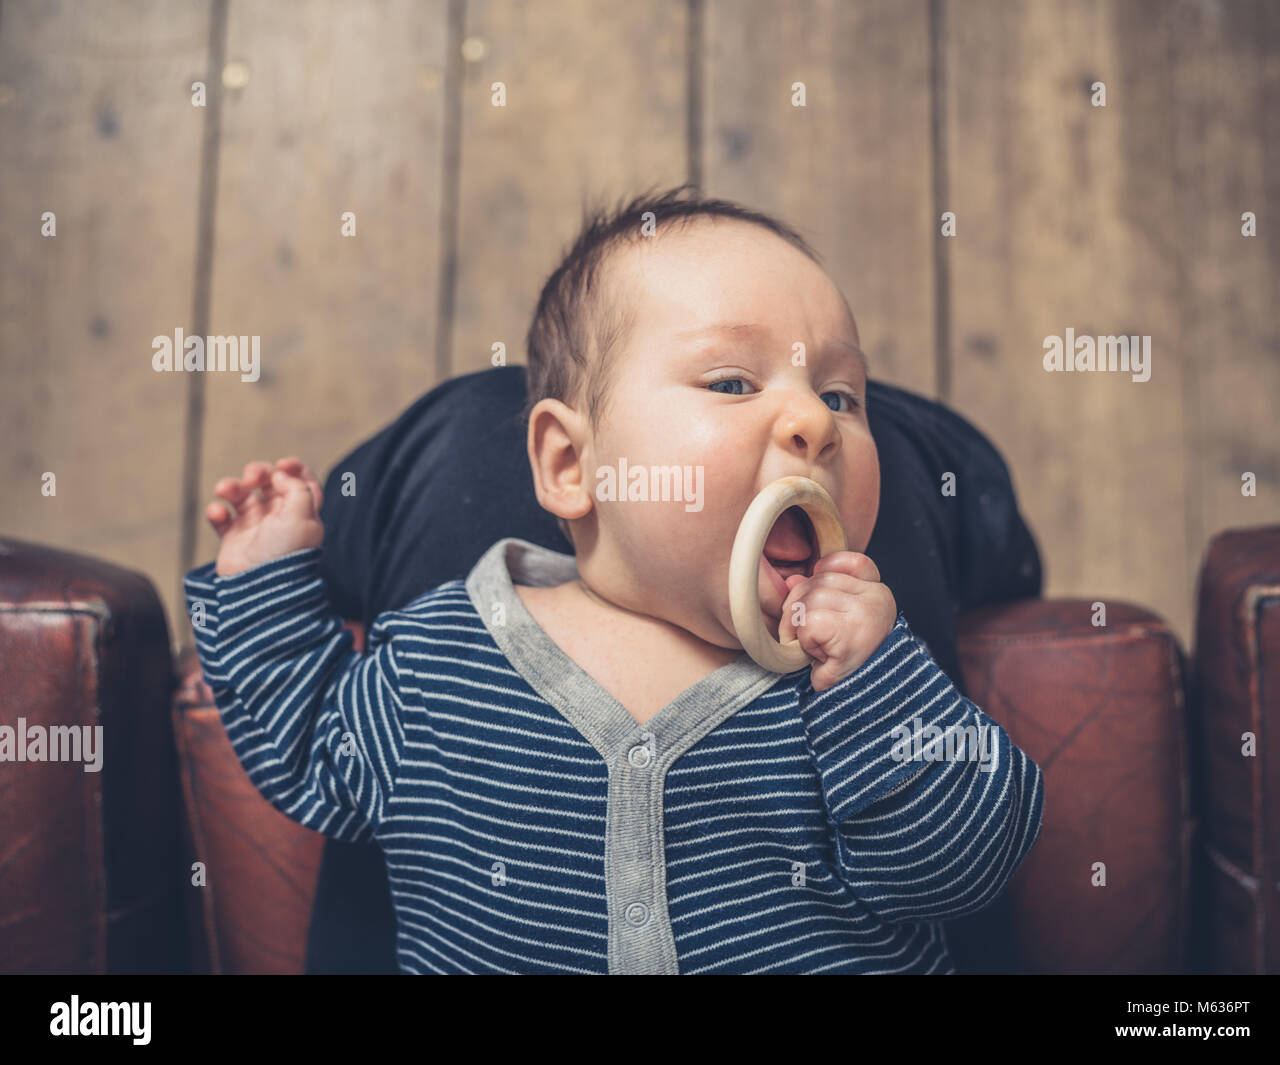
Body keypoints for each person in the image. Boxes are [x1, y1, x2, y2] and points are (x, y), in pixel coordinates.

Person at [185, 185, 1044, 973]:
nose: (816, 421)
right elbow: (307, 745)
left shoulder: (856, 676)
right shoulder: (440, 659)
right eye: (733, 381)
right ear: (570, 461)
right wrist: (265, 579)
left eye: (845, 395)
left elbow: (959, 873)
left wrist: (880, 684)